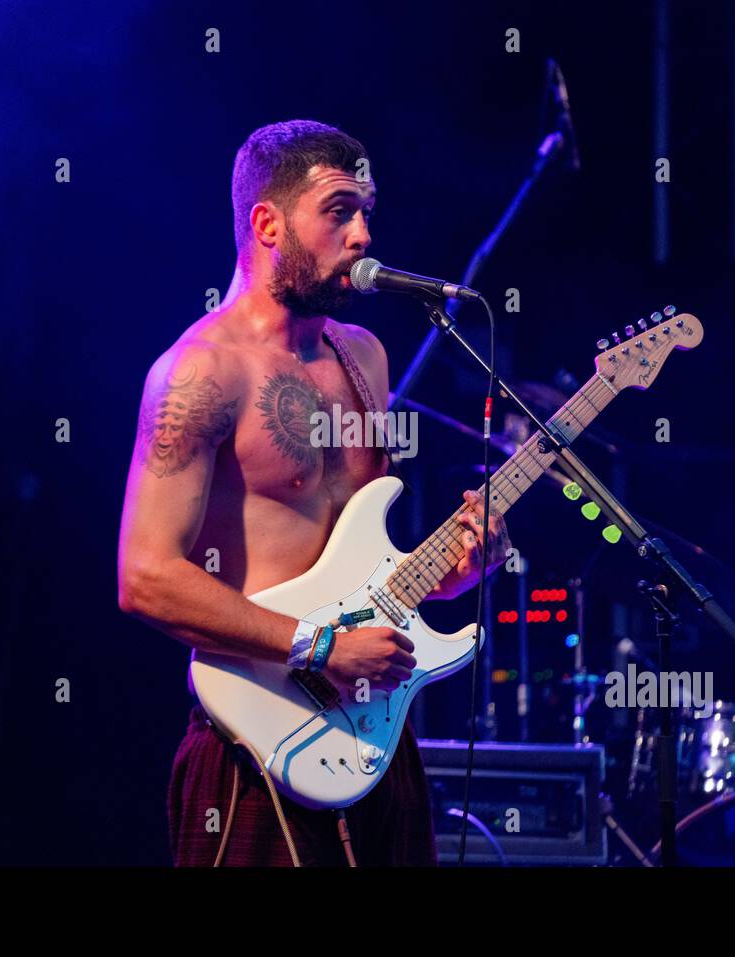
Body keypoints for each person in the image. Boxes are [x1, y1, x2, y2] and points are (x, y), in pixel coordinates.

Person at [116, 120, 511, 865]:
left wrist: (458, 571)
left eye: (366, 211)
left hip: (373, 738)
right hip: (254, 745)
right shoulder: (200, 372)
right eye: (338, 211)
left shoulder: (363, 357)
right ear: (267, 223)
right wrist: (321, 645)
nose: (362, 235)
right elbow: (144, 578)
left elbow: (359, 570)